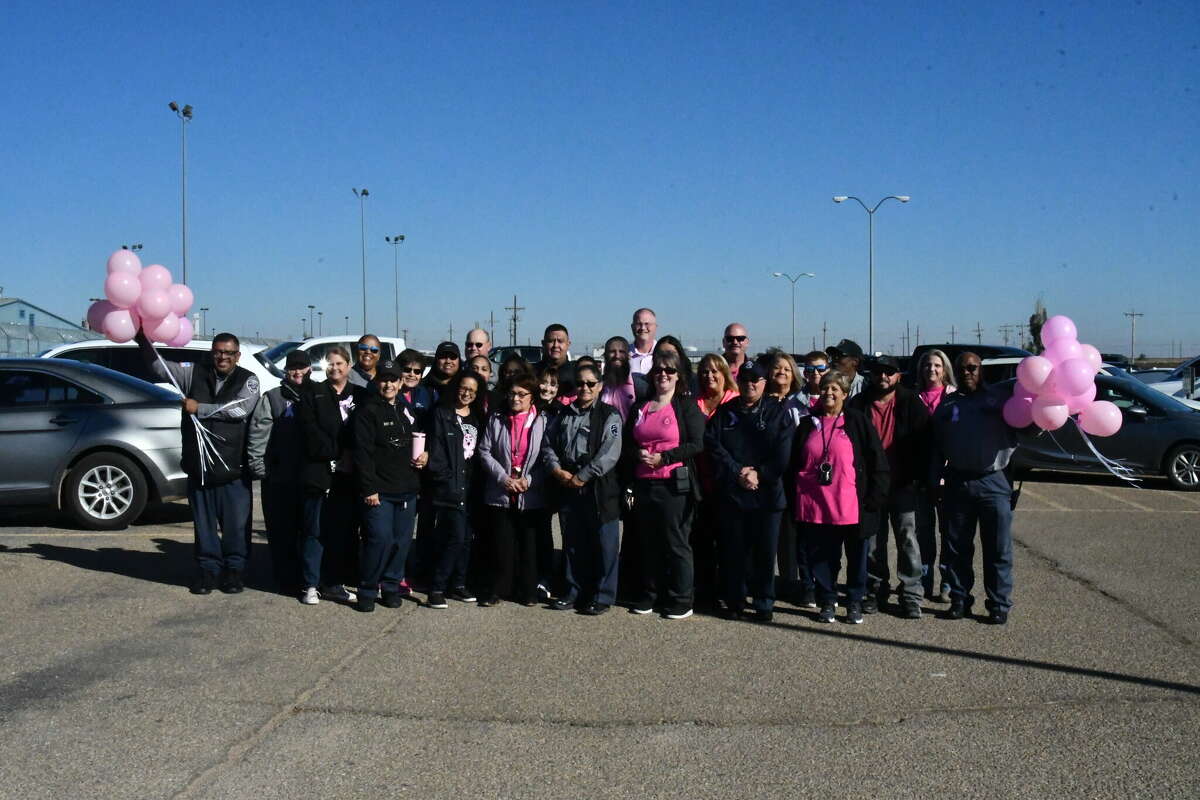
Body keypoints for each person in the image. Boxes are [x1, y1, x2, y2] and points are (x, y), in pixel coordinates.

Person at [137, 330, 260, 594]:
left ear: (237, 356)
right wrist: (141, 340)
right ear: (211, 353)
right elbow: (160, 368)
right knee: (204, 529)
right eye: (218, 352)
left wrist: (199, 408)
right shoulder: (192, 373)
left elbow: (240, 409)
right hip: (200, 468)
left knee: (236, 528)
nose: (222, 357)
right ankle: (207, 572)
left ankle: (234, 572)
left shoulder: (249, 380)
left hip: (233, 470)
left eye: (228, 353)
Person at [788, 370, 889, 624]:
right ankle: (827, 599)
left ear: (845, 393)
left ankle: (854, 601)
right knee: (822, 558)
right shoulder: (808, 424)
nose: (829, 393)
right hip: (816, 505)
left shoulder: (857, 421)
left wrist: (875, 496)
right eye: (825, 388)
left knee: (856, 556)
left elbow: (877, 459)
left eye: (835, 389)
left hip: (852, 504)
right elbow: (794, 463)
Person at [929, 352, 1017, 625]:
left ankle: (998, 604)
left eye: (973, 368)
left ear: (981, 371)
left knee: (998, 548)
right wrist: (935, 480)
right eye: (962, 368)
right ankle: (959, 598)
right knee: (957, 547)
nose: (967, 372)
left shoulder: (1001, 401)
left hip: (993, 481)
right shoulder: (947, 405)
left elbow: (1029, 427)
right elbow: (937, 446)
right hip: (957, 481)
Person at [704, 362, 791, 622]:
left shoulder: (778, 412)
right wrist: (738, 472)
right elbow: (713, 444)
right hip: (734, 494)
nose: (749, 384)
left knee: (765, 554)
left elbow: (783, 452)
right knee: (734, 551)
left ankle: (764, 602)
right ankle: (735, 600)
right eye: (744, 379)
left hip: (767, 496)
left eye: (756, 379)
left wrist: (759, 474)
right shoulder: (726, 412)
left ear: (765, 383)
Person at [624, 350, 706, 619]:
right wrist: (638, 453)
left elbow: (696, 444)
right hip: (645, 484)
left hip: (674, 485)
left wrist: (665, 458)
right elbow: (629, 440)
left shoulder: (685, 405)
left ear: (678, 376)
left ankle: (681, 598)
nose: (663, 375)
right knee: (648, 542)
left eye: (669, 371)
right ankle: (649, 594)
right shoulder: (641, 407)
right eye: (658, 370)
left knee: (676, 543)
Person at [848, 355, 930, 619]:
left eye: (889, 372)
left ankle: (911, 594)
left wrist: (921, 478)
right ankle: (875, 590)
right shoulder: (858, 404)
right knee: (873, 541)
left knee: (907, 539)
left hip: (903, 484)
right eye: (878, 372)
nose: (883, 377)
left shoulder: (911, 403)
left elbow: (924, 444)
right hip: (870, 484)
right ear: (870, 375)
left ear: (898, 376)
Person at [542, 363, 623, 615]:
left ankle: (602, 595)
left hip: (598, 488)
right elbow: (548, 444)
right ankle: (572, 590)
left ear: (599, 386)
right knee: (573, 542)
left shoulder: (610, 415)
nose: (585, 388)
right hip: (567, 483)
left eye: (590, 383)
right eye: (580, 383)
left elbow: (610, 454)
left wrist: (583, 476)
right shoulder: (564, 414)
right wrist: (556, 470)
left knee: (604, 544)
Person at [353, 359, 428, 612]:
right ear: (377, 382)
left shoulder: (406, 409)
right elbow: (361, 454)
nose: (388, 384)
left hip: (407, 488)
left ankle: (391, 586)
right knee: (379, 539)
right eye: (384, 379)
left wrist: (424, 456)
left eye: (393, 379)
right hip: (380, 491)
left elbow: (419, 439)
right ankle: (368, 588)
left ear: (399, 383)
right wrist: (369, 489)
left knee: (401, 542)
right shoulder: (366, 411)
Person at [296, 346, 366, 606]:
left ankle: (333, 583)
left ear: (349, 366)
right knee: (314, 531)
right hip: (319, 474)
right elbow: (310, 435)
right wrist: (341, 453)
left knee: (340, 532)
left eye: (339, 363)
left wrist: (353, 457)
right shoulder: (313, 394)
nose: (334, 368)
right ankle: (310, 584)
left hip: (349, 477)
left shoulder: (360, 395)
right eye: (329, 364)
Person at [477, 372, 550, 606]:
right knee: (501, 544)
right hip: (501, 491)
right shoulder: (496, 418)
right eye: (512, 394)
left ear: (532, 396)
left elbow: (546, 457)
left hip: (531, 494)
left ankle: (527, 591)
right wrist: (503, 478)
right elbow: (484, 451)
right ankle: (497, 589)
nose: (515, 398)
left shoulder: (543, 421)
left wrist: (529, 479)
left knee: (528, 545)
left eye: (521, 394)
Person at [247, 349, 310, 594]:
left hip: (307, 476)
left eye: (301, 367)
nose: (297, 372)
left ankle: (307, 577)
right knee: (281, 531)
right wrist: (259, 468)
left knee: (307, 530)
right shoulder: (272, 397)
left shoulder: (317, 394)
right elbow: (258, 434)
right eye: (292, 367)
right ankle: (284, 578)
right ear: (286, 370)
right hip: (278, 477)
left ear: (308, 369)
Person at [424, 371, 485, 608]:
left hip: (472, 486)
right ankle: (437, 587)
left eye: (472, 390)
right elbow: (436, 451)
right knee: (455, 537)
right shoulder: (442, 414)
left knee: (466, 538)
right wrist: (446, 480)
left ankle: (458, 584)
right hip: (451, 486)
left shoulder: (478, 416)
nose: (466, 393)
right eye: (463, 387)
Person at [764, 349, 814, 608]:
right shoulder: (761, 401)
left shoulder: (800, 402)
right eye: (776, 368)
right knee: (767, 531)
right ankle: (764, 583)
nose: (781, 372)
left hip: (796, 475)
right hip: (768, 475)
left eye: (785, 368)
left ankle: (791, 582)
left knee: (791, 533)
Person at [691, 353, 738, 609]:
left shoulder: (736, 401)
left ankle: (728, 591)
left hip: (727, 482)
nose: (709, 375)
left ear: (724, 374)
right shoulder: (693, 402)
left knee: (728, 541)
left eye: (714, 371)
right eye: (705, 372)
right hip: (699, 480)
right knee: (701, 539)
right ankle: (705, 590)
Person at [914, 348, 956, 602]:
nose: (932, 369)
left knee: (948, 531)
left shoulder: (953, 397)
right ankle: (924, 579)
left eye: (937, 366)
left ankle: (948, 582)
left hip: (949, 475)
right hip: (920, 475)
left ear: (945, 369)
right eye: (928, 365)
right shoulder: (913, 397)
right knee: (923, 531)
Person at [600, 335, 642, 422]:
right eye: (612, 351)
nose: (617, 355)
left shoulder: (641, 386)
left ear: (629, 356)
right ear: (604, 356)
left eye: (621, 351)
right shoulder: (597, 386)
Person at [535, 323, 576, 397]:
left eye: (560, 341)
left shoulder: (576, 373)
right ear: (543, 344)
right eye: (551, 341)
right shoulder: (533, 372)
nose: (555, 345)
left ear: (568, 344)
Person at [629, 308, 658, 376]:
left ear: (656, 327)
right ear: (632, 327)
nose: (643, 328)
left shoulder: (664, 354)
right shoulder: (623, 355)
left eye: (647, 324)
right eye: (639, 324)